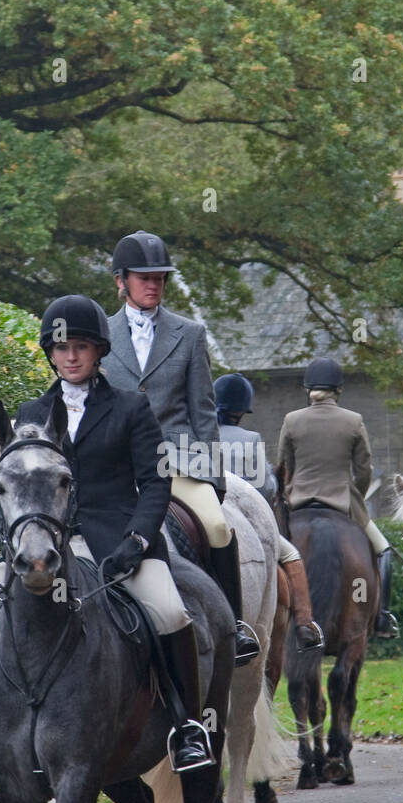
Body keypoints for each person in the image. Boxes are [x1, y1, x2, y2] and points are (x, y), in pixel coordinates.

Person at [0, 295, 215, 773]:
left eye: (81, 346)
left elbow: (156, 481)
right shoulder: (31, 410)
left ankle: (186, 728)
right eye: (62, 348)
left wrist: (138, 542)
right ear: (50, 353)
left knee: (168, 612)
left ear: (99, 351)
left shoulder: (130, 407)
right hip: (42, 542)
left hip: (117, 543)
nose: (71, 356)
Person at [101, 230, 260, 666]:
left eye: (160, 277)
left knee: (217, 527)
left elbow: (203, 411)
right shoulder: (101, 334)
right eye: (143, 277)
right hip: (119, 466)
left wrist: (214, 477)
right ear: (121, 280)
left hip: (180, 463)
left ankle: (235, 626)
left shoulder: (190, 334)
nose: (153, 284)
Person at [275, 357, 398, 638]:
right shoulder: (353, 421)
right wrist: (356, 495)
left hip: (298, 503)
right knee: (384, 551)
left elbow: (283, 468)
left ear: (308, 388)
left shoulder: (292, 420)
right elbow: (364, 469)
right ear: (338, 390)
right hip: (343, 503)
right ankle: (381, 617)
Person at [214, 372, 323, 651]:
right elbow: (266, 486)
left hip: (208, 517)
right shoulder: (250, 438)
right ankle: (305, 625)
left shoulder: (200, 436)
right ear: (242, 411)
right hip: (244, 521)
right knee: (291, 554)